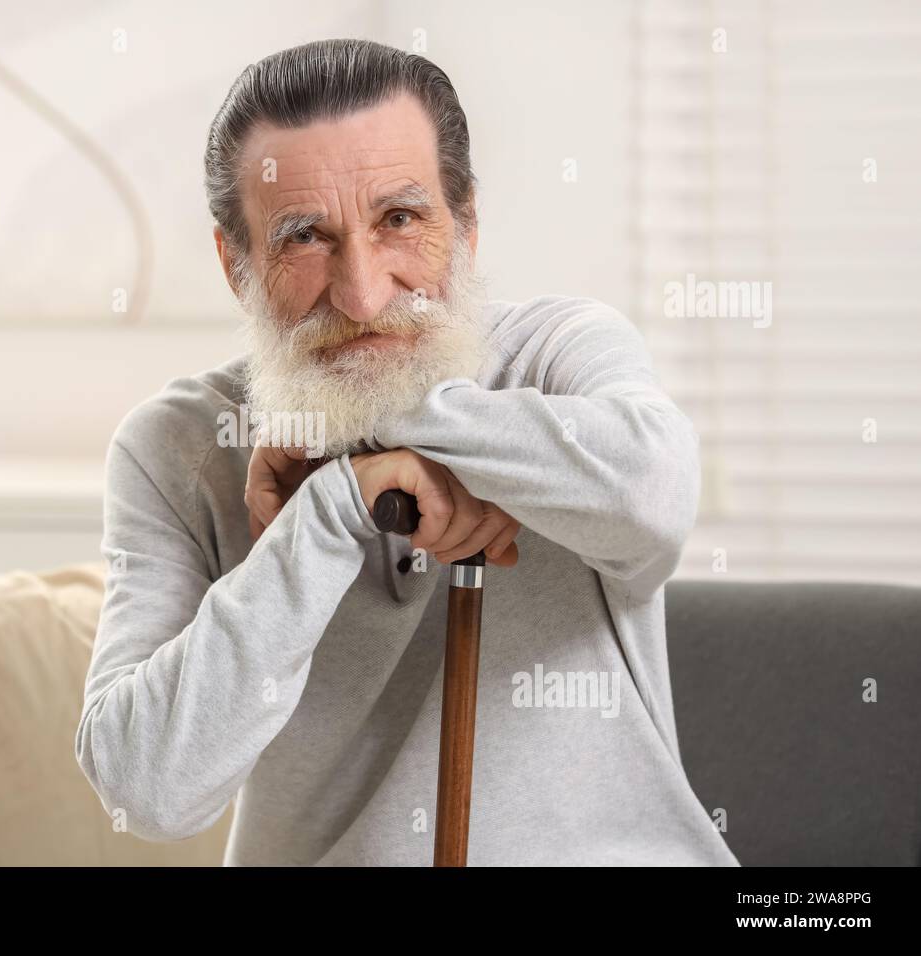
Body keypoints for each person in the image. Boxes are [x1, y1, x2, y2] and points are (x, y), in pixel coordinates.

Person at [75, 38, 739, 866]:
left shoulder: (559, 357)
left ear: (463, 224)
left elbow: (658, 496)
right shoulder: (174, 446)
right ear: (235, 263)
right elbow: (146, 787)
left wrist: (406, 413)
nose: (360, 293)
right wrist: (331, 511)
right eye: (304, 236)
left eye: (399, 219)